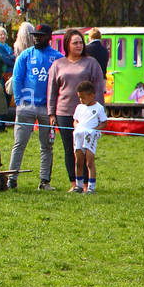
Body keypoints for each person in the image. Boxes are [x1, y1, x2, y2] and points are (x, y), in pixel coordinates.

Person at [47, 28, 107, 189]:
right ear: (67, 45)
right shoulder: (58, 64)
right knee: (70, 148)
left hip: (87, 114)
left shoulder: (91, 63)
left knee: (86, 149)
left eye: (81, 42)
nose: (79, 45)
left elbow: (99, 87)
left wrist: (99, 111)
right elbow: (52, 90)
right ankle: (74, 183)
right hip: (64, 112)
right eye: (75, 43)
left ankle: (87, 183)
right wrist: (51, 113)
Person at [6, 23, 62, 190]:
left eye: (41, 36)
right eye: (35, 36)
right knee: (19, 143)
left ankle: (44, 181)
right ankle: (11, 179)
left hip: (47, 108)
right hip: (26, 106)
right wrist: (19, 101)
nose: (37, 38)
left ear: (49, 37)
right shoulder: (25, 55)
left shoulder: (58, 57)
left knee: (46, 145)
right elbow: (17, 78)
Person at [70, 80, 107, 194]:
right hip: (79, 135)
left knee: (90, 161)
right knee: (78, 161)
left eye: (83, 97)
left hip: (90, 136)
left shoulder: (99, 108)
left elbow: (104, 123)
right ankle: (79, 186)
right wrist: (77, 126)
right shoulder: (79, 107)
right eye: (79, 97)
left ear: (91, 95)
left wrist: (94, 130)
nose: (81, 100)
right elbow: (75, 121)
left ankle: (91, 187)